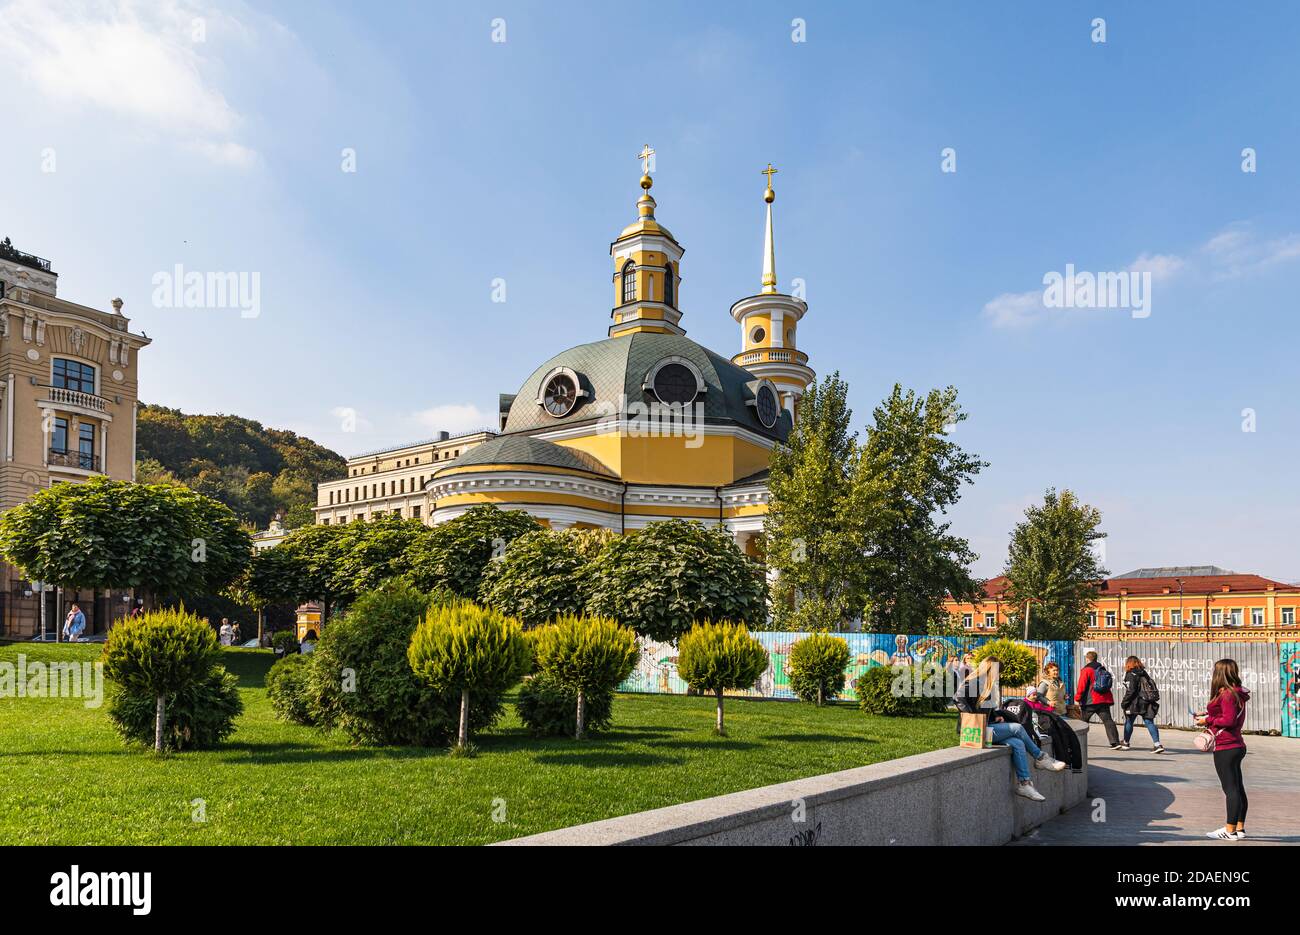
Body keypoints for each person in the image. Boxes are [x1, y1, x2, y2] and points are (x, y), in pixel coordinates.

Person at [954, 657, 1066, 801]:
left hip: (986, 728)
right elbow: (958, 698)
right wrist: (972, 719)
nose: (998, 675)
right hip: (977, 731)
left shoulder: (984, 684)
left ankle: (1024, 784)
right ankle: (1040, 757)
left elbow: (982, 706)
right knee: (1017, 728)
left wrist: (995, 716)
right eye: (998, 672)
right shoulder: (975, 681)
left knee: (1018, 744)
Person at [1196, 658, 1250, 841]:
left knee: (1230, 789)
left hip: (1226, 746)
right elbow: (1228, 715)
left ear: (1219, 673)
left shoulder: (1227, 694)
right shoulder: (1236, 692)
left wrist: (1207, 721)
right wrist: (1208, 715)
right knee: (1238, 788)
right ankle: (1240, 828)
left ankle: (1230, 831)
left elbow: (1228, 720)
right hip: (1237, 745)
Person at [1076, 650, 1122, 749]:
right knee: (1108, 721)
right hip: (1103, 700)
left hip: (1090, 702)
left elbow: (1082, 686)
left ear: (1087, 659)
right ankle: (1115, 743)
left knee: (1082, 722)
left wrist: (1077, 698)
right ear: (1096, 658)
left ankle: (1077, 742)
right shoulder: (1102, 669)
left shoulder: (1086, 670)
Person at [1119, 655, 1164, 753]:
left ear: (1128, 664)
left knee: (1129, 721)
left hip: (1135, 702)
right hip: (1147, 701)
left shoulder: (1130, 674)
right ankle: (1157, 745)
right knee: (1149, 722)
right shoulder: (1143, 673)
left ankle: (1126, 743)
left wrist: (1124, 702)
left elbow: (1131, 691)